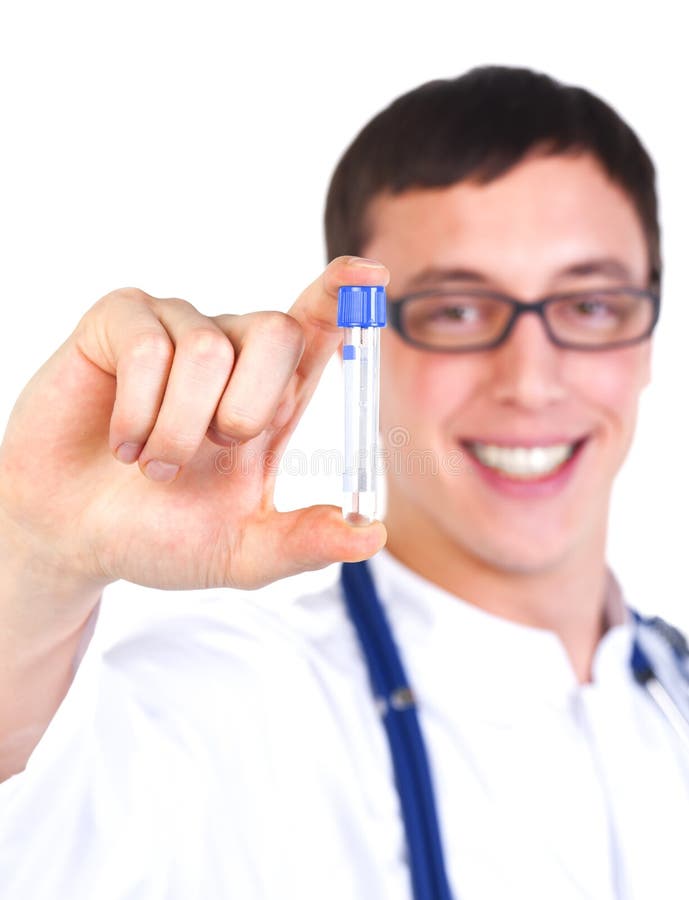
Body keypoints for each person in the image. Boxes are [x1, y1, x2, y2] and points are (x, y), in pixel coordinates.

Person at [0, 64, 687, 900]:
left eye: (589, 305)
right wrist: (32, 565)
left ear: (646, 333)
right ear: (362, 333)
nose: (531, 381)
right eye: (456, 310)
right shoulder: (221, 714)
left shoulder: (668, 697)